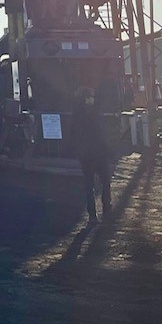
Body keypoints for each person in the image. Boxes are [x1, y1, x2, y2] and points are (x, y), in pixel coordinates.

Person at [68, 86, 113, 226]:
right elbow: (102, 133)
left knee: (89, 185)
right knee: (105, 181)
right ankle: (106, 209)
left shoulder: (76, 114)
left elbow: (73, 135)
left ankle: (92, 214)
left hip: (86, 154)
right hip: (98, 152)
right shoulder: (94, 113)